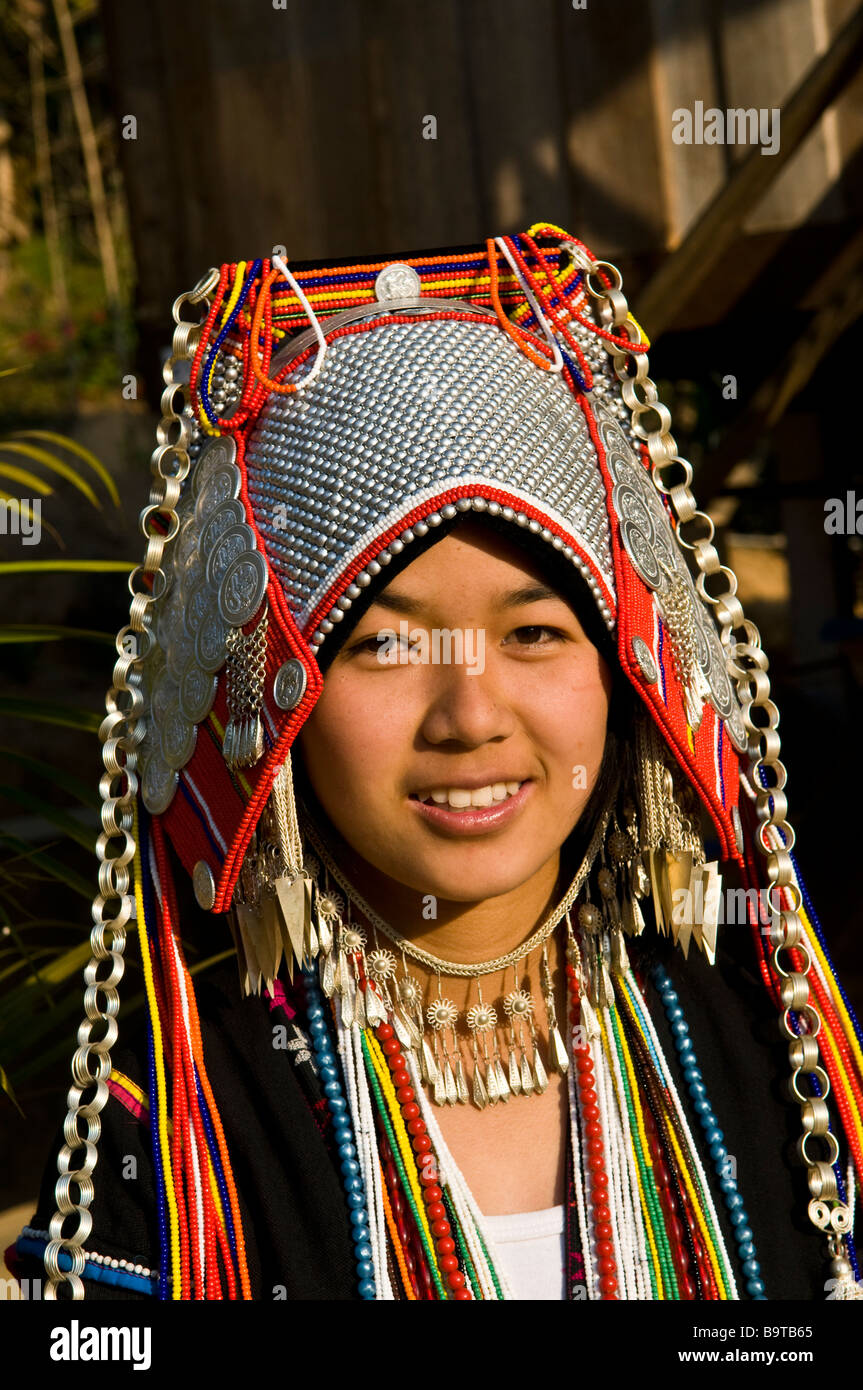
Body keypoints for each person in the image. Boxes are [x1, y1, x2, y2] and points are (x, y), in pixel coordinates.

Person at [10, 223, 863, 1301]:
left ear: (626, 674)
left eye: (535, 633)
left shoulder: (765, 1047)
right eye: (385, 643)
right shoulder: (183, 1137)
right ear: (277, 702)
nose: (469, 715)